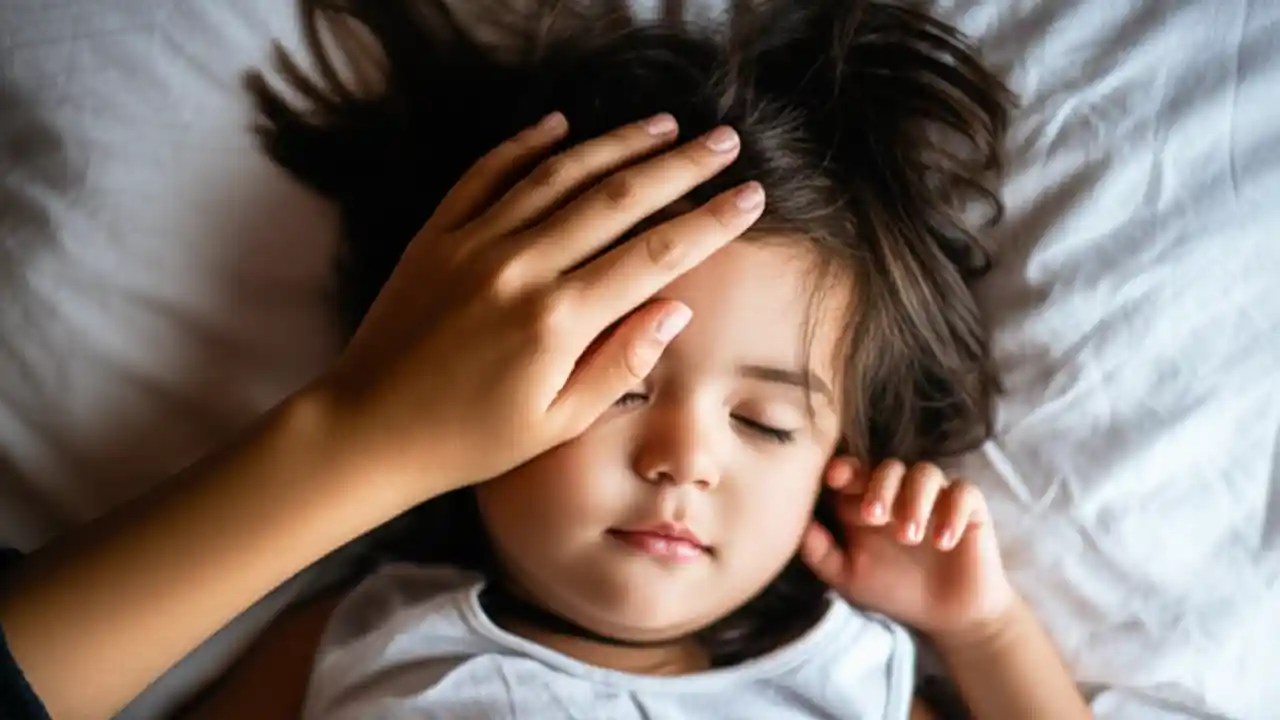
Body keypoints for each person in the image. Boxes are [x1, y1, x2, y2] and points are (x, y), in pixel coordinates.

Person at [0, 1, 1093, 719]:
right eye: (617, 386)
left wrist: (982, 629)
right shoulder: (359, 639)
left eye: (764, 423)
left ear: (834, 464)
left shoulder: (844, 675)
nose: (681, 458)